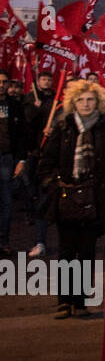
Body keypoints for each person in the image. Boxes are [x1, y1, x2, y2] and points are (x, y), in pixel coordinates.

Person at [39, 80, 105, 318]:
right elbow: (46, 162)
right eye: (81, 100)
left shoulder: (104, 128)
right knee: (67, 251)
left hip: (93, 197)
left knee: (87, 252)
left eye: (90, 99)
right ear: (73, 102)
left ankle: (80, 301)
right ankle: (64, 301)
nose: (86, 104)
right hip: (66, 196)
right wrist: (53, 185)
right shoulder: (63, 127)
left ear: (97, 101)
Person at [0, 77, 29, 257]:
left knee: (6, 202)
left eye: (4, 82)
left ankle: (3, 241)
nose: (1, 85)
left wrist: (21, 160)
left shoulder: (15, 105)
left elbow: (21, 135)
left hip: (6, 159)